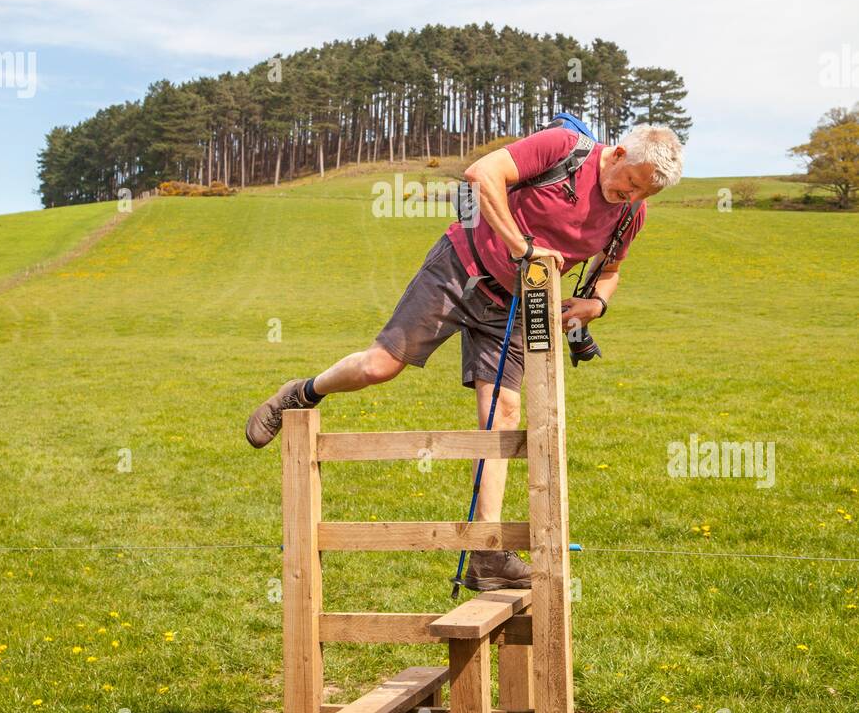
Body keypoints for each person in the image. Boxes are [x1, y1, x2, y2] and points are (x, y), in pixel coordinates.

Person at [246, 122, 683, 589]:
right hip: (462, 269)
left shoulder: (629, 215)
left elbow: (610, 270)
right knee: (379, 366)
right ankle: (301, 393)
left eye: (644, 194)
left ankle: (485, 552)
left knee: (503, 411)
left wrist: (596, 304)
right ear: (617, 154)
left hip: (514, 306)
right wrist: (523, 247)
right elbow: (482, 173)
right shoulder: (565, 150)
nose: (630, 196)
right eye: (631, 183)